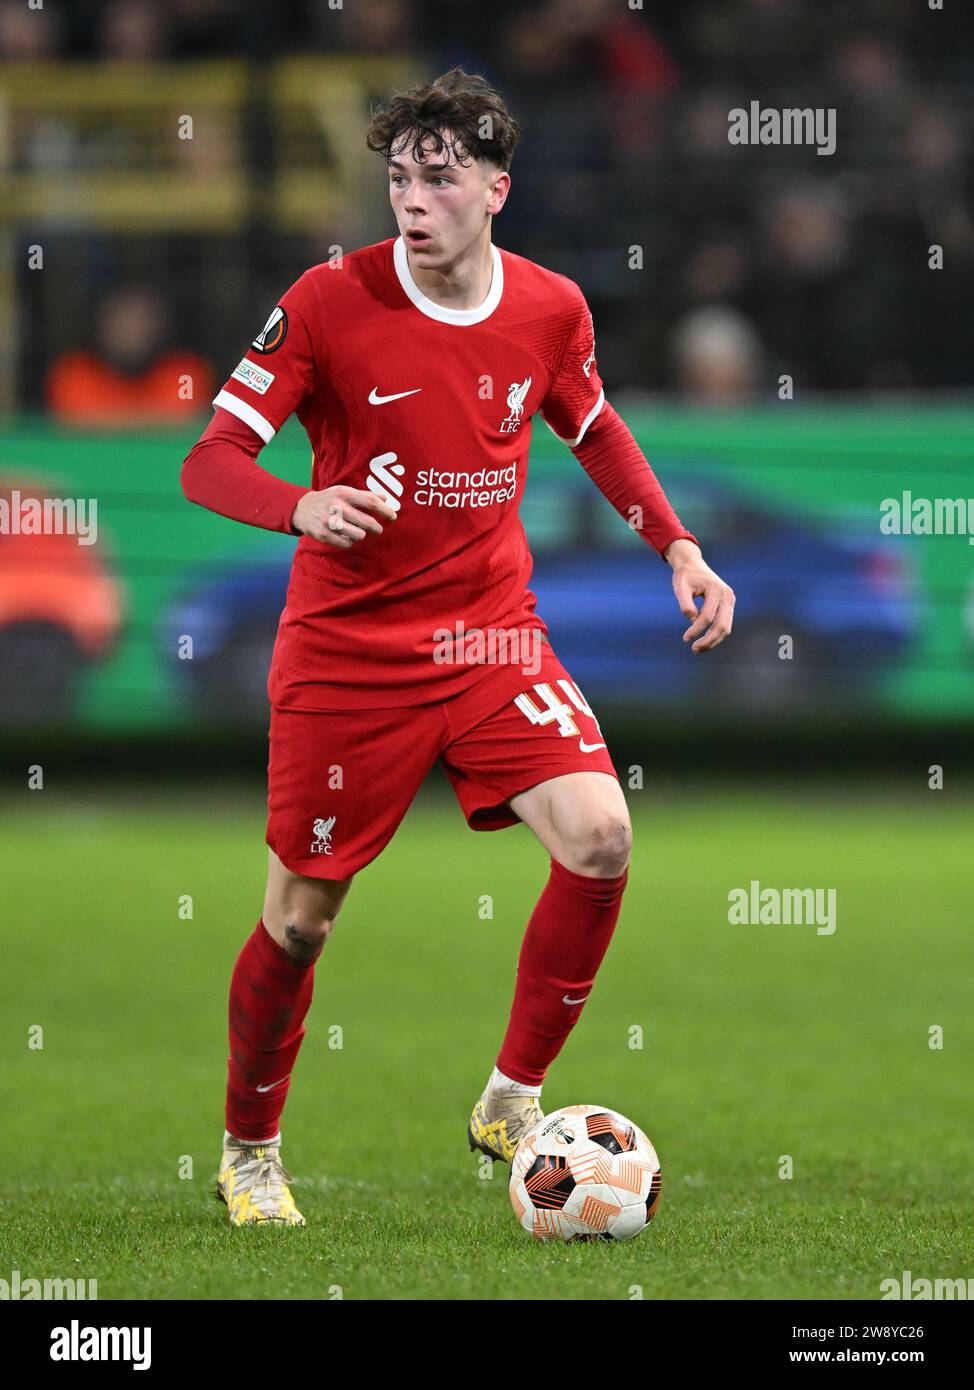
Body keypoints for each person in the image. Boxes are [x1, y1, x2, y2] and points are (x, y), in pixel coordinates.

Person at [180, 66, 735, 1227]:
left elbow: (592, 427)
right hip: (347, 651)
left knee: (599, 835)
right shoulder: (328, 301)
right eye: (396, 178)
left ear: (495, 189)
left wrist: (676, 545)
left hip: (490, 637)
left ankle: (510, 1095)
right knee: (299, 920)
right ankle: (248, 1150)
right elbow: (210, 459)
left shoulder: (547, 308)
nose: (410, 201)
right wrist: (300, 506)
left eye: (437, 179)